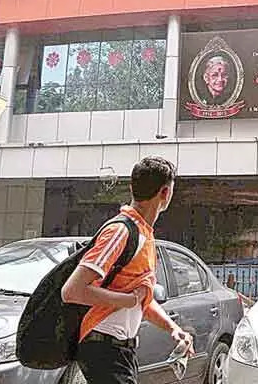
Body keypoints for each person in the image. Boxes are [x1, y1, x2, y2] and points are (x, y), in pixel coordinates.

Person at [61, 157, 194, 384]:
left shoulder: (144, 234)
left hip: (121, 351)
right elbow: (72, 291)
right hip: (102, 347)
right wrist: (130, 300)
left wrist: (171, 328)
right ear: (165, 193)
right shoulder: (121, 231)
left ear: (132, 188)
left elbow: (141, 298)